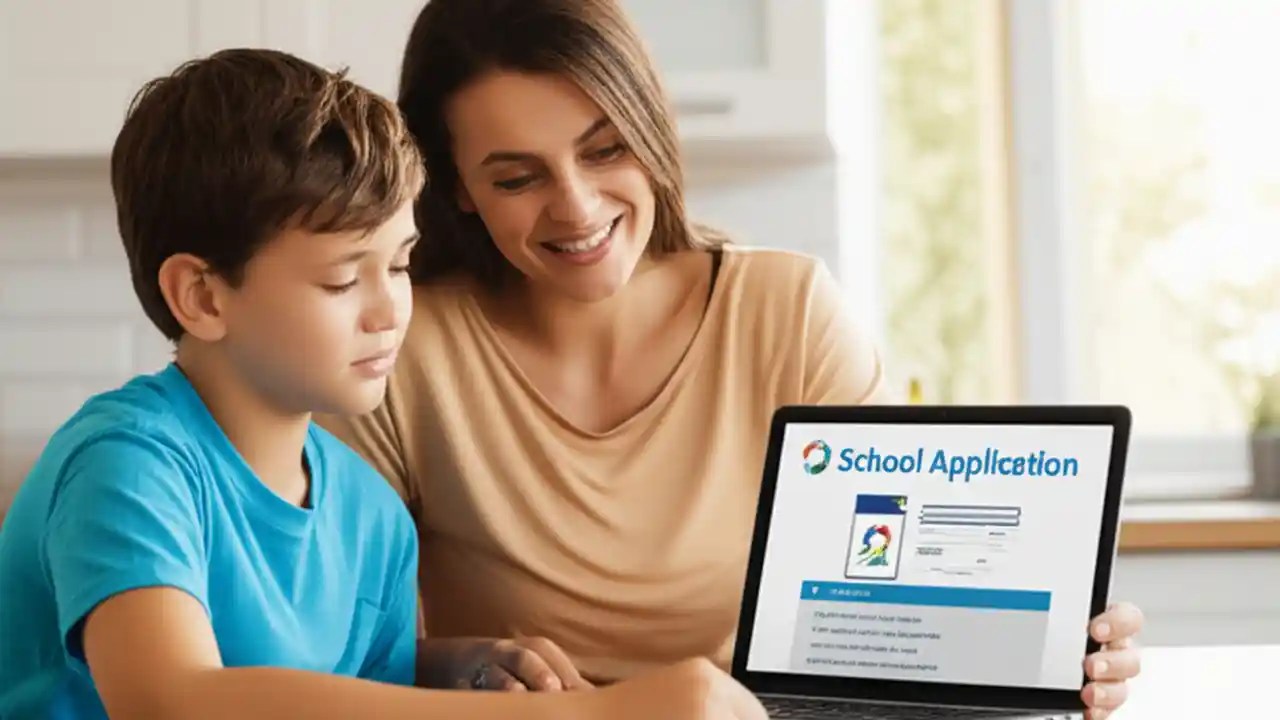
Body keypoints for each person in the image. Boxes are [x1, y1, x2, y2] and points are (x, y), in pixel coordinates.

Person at [316, 0, 1144, 717]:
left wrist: (1051, 652)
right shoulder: (399, 348)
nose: (576, 207)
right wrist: (458, 664)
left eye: (605, 150)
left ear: (648, 127)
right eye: (516, 179)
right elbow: (331, 649)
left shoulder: (787, 313)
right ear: (457, 187)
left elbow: (903, 598)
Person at [0, 48, 767, 720]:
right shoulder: (129, 465)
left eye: (399, 265)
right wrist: (592, 713)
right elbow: (173, 701)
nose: (390, 310)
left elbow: (341, 699)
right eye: (342, 281)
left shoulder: (372, 518)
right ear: (202, 296)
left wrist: (449, 666)